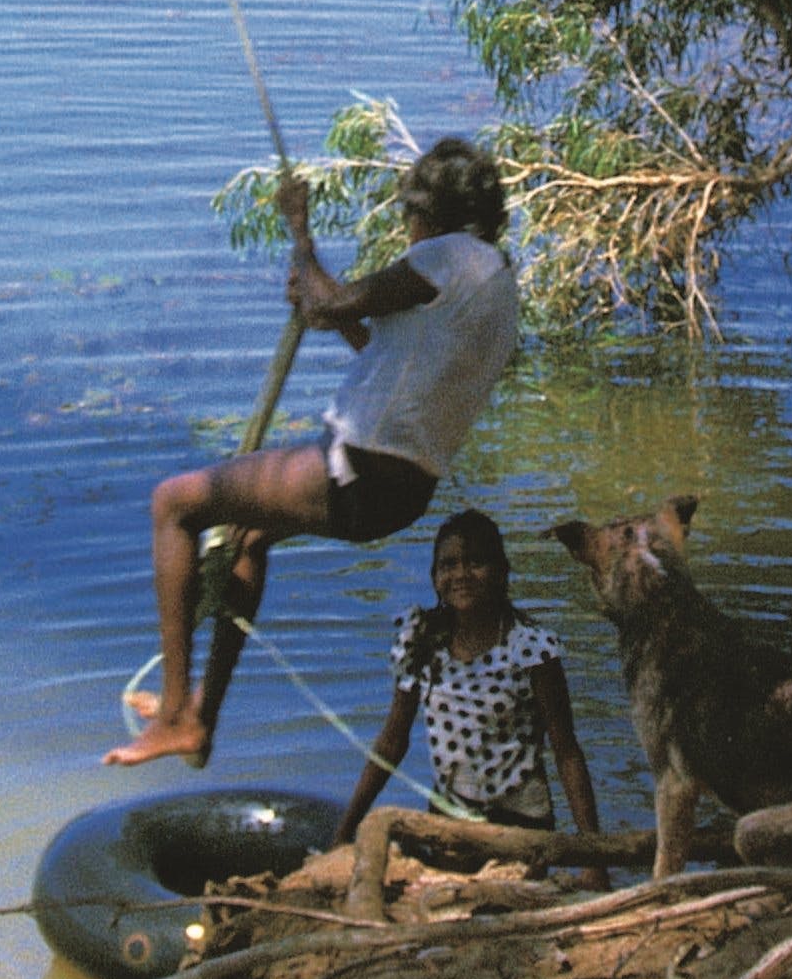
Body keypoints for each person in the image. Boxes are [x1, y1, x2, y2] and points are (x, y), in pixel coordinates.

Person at [108, 138, 521, 769]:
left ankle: (172, 715)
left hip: (357, 471)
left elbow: (329, 302)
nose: (407, 231)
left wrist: (300, 231)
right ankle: (201, 717)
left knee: (175, 504)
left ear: (429, 216)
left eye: (410, 216)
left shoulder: (448, 254)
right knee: (245, 537)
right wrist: (318, 295)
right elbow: (370, 344)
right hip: (399, 491)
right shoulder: (494, 283)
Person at [339, 510, 607, 880]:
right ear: (435, 577)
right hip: (449, 821)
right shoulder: (421, 640)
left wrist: (593, 856)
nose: (461, 575)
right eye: (448, 565)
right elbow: (392, 742)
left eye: (476, 563)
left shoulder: (531, 648)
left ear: (501, 572)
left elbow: (566, 750)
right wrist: (345, 830)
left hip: (520, 826)